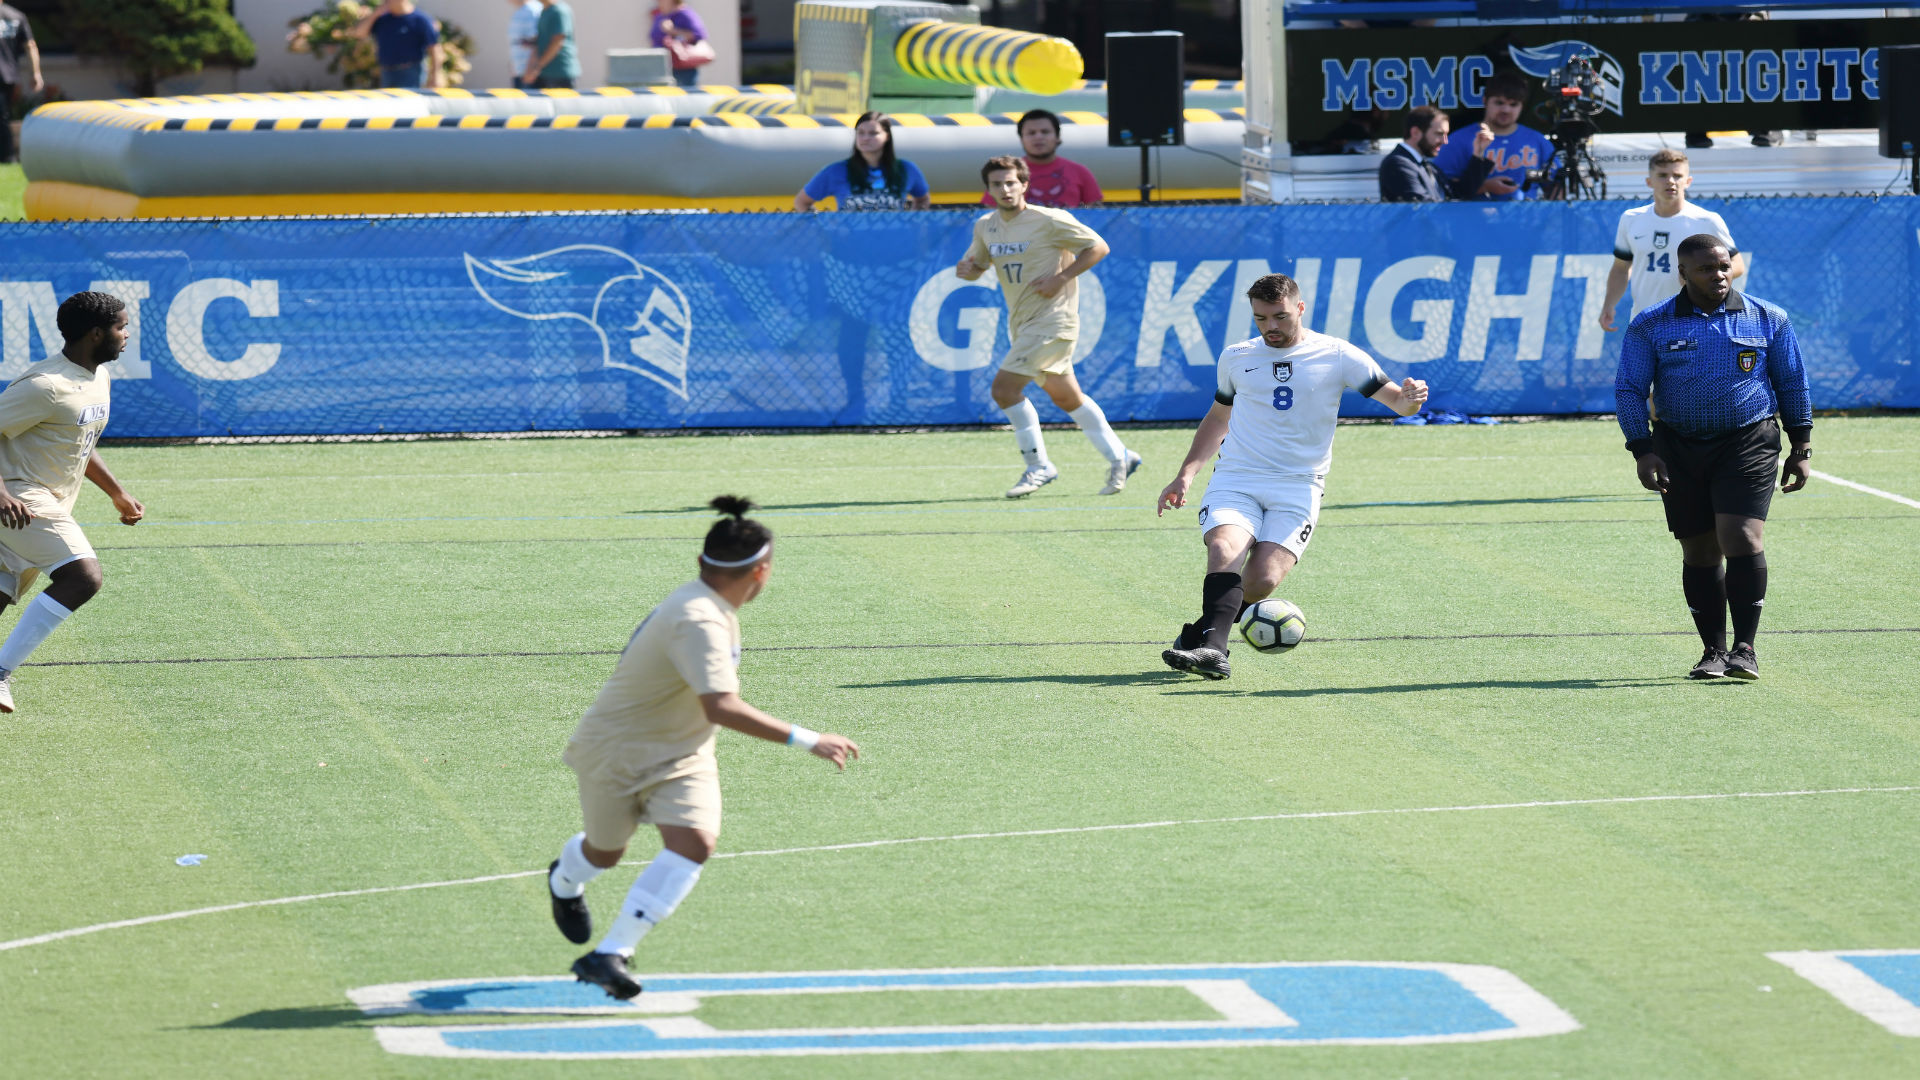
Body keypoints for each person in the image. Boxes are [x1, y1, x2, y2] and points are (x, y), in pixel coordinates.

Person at [546, 496, 859, 1000]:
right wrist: (809, 739)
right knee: (604, 854)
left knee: (694, 843)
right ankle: (564, 881)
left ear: (701, 563)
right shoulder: (700, 619)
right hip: (616, 751)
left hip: (683, 755)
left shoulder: (708, 604)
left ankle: (610, 953)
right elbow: (720, 707)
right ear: (762, 570)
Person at [1156, 274, 1427, 680]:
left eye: (1280, 316)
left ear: (1299, 309)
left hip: (1299, 485)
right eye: (1261, 318)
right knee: (1225, 548)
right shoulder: (1236, 356)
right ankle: (1215, 650)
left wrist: (1409, 401)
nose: (1271, 327)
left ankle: (1199, 633)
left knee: (1263, 579)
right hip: (1238, 477)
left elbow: (1397, 403)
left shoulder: (1338, 354)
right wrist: (1185, 474)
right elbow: (1218, 417)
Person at [1614, 235, 1811, 681]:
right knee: (1699, 549)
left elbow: (1793, 383)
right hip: (1677, 445)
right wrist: (1642, 449)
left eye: (1724, 266)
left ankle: (1745, 648)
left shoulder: (1769, 318)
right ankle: (1713, 652)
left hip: (1748, 441)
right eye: (1706, 269)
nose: (1718, 275)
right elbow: (1629, 389)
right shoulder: (1651, 324)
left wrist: (1801, 446)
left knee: (1740, 537)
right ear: (1683, 274)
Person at [957, 155, 1140, 499]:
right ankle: (1121, 456)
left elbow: (1097, 246)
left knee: (1004, 390)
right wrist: (968, 269)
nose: (1005, 189)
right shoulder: (985, 225)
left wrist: (1061, 278)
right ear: (989, 189)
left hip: (1054, 321)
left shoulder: (1050, 219)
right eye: (997, 184)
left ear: (1024, 185)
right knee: (1066, 396)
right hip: (1023, 323)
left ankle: (1038, 465)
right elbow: (978, 263)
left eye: (1011, 182)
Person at [0, 292, 145, 713]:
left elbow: (78, 441)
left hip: (45, 502)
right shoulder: (47, 386)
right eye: (121, 327)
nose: (127, 334)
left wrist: (116, 492)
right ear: (97, 333)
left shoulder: (97, 377)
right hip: (19, 498)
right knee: (83, 577)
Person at [1599, 149, 1744, 332]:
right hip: (1643, 321)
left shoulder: (1706, 220)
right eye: (1662, 175)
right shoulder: (1631, 219)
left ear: (1688, 181)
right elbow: (1621, 268)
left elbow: (1737, 264)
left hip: (1691, 322)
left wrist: (1702, 278)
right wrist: (1609, 304)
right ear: (1649, 181)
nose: (1670, 181)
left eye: (1677, 175)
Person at [1433, 72, 1550, 202]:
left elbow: (1557, 185)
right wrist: (1484, 186)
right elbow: (1441, 188)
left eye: (1513, 104)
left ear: (1522, 106)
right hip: (1474, 219)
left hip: (1528, 219)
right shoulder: (1458, 140)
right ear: (1485, 101)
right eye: (1499, 103)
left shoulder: (1537, 141)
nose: (1506, 110)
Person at [793, 112, 931, 212]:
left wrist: (915, 223)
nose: (865, 138)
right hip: (850, 246)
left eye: (873, 133)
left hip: (893, 245)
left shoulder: (906, 169)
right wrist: (821, 228)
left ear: (887, 136)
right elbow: (802, 202)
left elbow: (923, 199)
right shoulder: (836, 171)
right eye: (860, 133)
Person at [977, 109, 1103, 209]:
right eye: (1031, 133)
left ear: (1057, 137)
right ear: (1022, 139)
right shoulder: (1004, 173)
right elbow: (990, 212)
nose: (1038, 137)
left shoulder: (1080, 172)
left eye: (1045, 132)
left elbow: (1097, 214)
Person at [1378, 105, 1492, 202]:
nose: (1445, 141)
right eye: (1439, 134)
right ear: (1415, 133)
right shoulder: (1398, 164)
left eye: (1446, 135)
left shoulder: (1427, 166)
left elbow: (1460, 193)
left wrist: (1478, 153)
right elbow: (1422, 208)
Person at [350, 0, 443, 90]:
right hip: (387, 72)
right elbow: (359, 33)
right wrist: (375, 14)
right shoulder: (383, 19)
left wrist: (436, 75)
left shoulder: (420, 19)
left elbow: (434, 48)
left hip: (410, 72)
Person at [0, 2, 41, 165]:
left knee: (2, 117)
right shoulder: (16, 16)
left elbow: (30, 45)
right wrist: (36, 72)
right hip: (9, 75)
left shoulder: (16, 16)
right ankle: (8, 155)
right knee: (3, 116)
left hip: (5, 75)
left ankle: (8, 155)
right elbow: (30, 46)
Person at [650, 0, 709, 89]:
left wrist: (672, 31)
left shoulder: (685, 14)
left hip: (682, 69)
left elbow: (699, 35)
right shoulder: (661, 16)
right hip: (661, 67)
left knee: (686, 96)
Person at [522, 0, 580, 91]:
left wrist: (537, 68)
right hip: (545, 73)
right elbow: (541, 39)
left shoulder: (559, 11)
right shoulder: (545, 11)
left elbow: (557, 43)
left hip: (560, 73)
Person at [506, 0, 541, 90]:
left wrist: (532, 69)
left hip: (528, 72)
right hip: (519, 71)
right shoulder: (521, 11)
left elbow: (536, 42)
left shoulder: (532, 10)